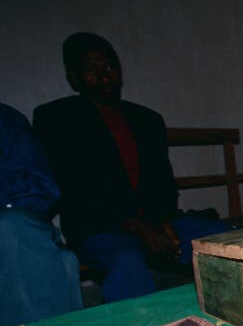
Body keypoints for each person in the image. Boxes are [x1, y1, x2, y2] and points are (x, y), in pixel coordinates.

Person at [33, 32, 231, 303]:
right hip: (99, 230)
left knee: (223, 240)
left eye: (110, 67)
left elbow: (164, 184)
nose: (105, 76)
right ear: (74, 78)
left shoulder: (146, 120)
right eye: (92, 70)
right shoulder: (57, 120)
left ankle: (234, 324)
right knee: (127, 262)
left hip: (155, 223)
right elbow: (72, 193)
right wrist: (136, 226)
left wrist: (161, 224)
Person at [0, 102, 82, 326]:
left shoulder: (6, 120)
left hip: (14, 222)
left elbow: (41, 187)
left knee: (10, 229)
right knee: (63, 263)